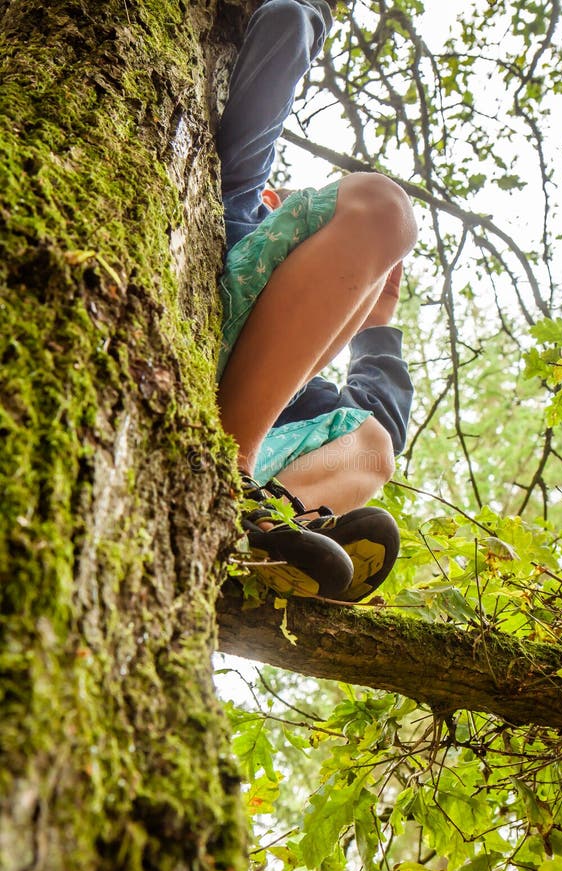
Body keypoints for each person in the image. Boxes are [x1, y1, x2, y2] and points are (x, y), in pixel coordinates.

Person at [215, 0, 418, 602]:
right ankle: (235, 487)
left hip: (247, 421)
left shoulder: (296, 388)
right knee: (385, 211)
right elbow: (281, 27)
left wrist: (376, 326)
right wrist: (310, 15)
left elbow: (378, 422)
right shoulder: (231, 207)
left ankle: (274, 528)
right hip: (207, 345)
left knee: (375, 441)